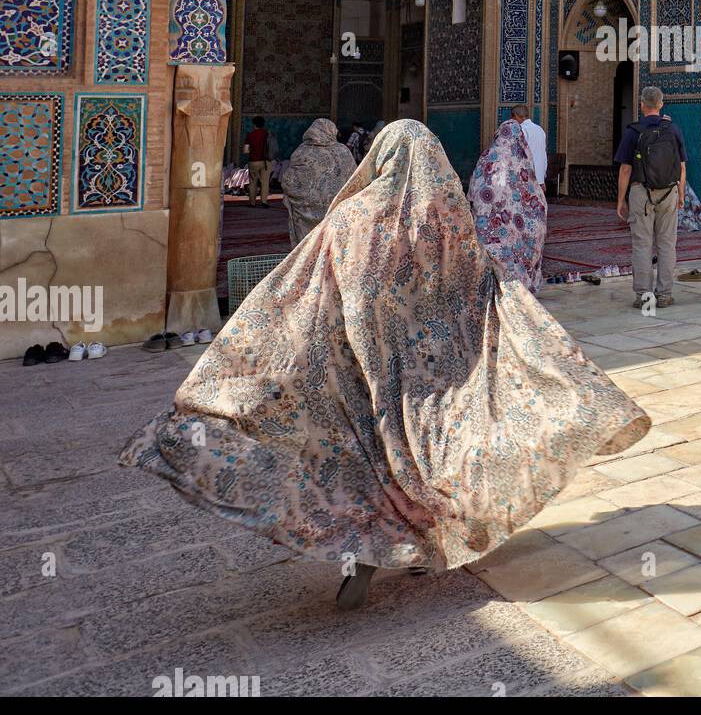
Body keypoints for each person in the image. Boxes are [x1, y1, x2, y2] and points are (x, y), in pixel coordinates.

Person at [120, 121, 649, 611]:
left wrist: (256, 352)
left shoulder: (350, 219)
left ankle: (373, 552)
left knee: (363, 456)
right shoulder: (448, 222)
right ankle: (417, 544)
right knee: (432, 462)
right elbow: (487, 290)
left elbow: (299, 291)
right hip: (436, 383)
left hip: (360, 376)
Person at [615, 86, 686, 309]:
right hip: (669, 192)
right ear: (661, 104)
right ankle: (664, 295)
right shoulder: (673, 130)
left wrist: (620, 199)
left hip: (641, 193)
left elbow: (625, 169)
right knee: (667, 244)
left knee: (642, 245)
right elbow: (682, 167)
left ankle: (644, 296)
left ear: (642, 105)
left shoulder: (633, 132)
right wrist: (681, 194)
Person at [469, 118, 548, 292]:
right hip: (512, 225)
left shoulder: (487, 158)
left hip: (490, 223)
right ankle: (519, 286)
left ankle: (493, 288)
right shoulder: (524, 163)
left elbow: (475, 187)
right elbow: (534, 195)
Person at [279, 117, 356, 246]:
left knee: (308, 249)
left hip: (305, 214)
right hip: (337, 212)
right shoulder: (343, 152)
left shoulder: (302, 152)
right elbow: (355, 180)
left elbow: (289, 182)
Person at [510, 104, 548, 190]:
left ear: (515, 116)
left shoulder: (521, 130)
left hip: (526, 176)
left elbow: (517, 154)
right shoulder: (540, 129)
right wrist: (542, 177)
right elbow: (543, 155)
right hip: (539, 176)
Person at [242, 116, 275, 208]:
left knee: (253, 182)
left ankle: (252, 202)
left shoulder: (250, 135)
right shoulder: (267, 134)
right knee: (265, 182)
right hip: (266, 161)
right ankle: (264, 201)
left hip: (253, 161)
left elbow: (246, 151)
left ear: (254, 124)